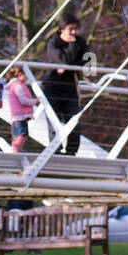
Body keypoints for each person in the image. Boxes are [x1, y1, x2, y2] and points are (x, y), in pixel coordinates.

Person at [41, 14, 90, 155]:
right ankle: (54, 153)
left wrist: (69, 64)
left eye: (76, 29)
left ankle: (71, 153)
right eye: (71, 29)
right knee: (53, 125)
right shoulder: (52, 43)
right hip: (52, 88)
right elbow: (64, 61)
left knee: (75, 125)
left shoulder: (81, 41)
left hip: (71, 90)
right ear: (62, 29)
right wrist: (72, 48)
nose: (74, 32)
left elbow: (89, 62)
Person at [5, 66, 37, 152]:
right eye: (26, 75)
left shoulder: (18, 85)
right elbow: (23, 101)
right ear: (20, 74)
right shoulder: (18, 86)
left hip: (19, 116)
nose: (27, 77)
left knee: (18, 136)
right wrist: (36, 101)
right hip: (20, 116)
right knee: (22, 135)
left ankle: (16, 150)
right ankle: (15, 151)